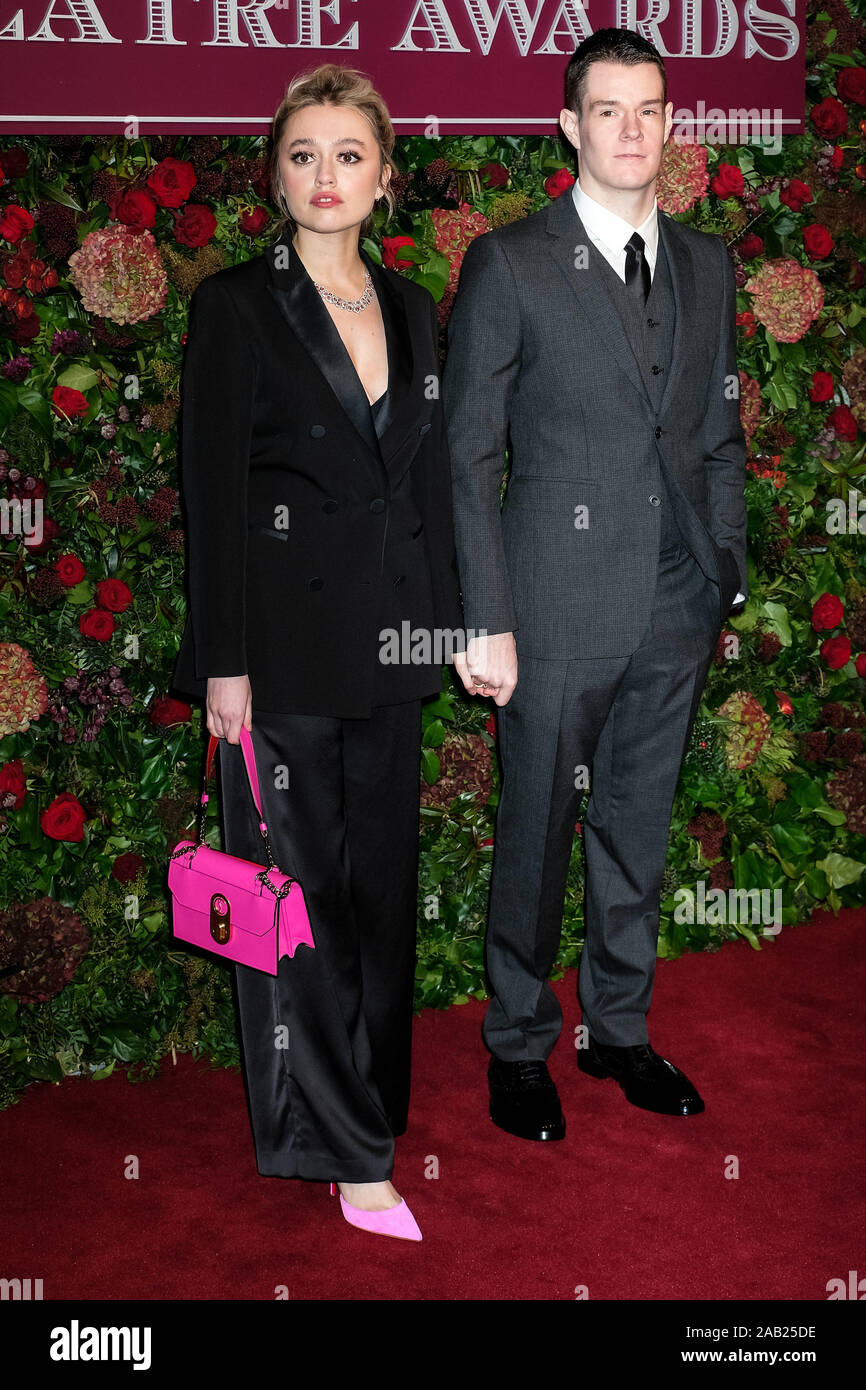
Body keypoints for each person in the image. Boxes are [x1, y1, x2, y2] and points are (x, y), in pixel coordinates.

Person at [170, 62, 463, 1238]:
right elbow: (211, 497)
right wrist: (223, 665)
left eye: (348, 154)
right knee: (303, 908)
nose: (324, 175)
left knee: (378, 896)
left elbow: (427, 486)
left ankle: (372, 1104)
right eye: (303, 155)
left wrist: (453, 626)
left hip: (390, 650)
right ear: (275, 175)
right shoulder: (236, 306)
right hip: (280, 659)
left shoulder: (414, 306)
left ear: (383, 175)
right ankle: (346, 1153)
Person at [443, 28, 747, 1141]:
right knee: (534, 833)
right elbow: (467, 453)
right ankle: (519, 1044)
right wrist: (485, 618)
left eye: (649, 109)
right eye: (608, 109)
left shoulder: (707, 263)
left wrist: (722, 574)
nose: (631, 129)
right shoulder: (510, 261)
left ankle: (617, 1029)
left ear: (669, 123)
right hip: (552, 608)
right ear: (568, 125)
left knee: (636, 830)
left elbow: (717, 433)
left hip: (675, 604)